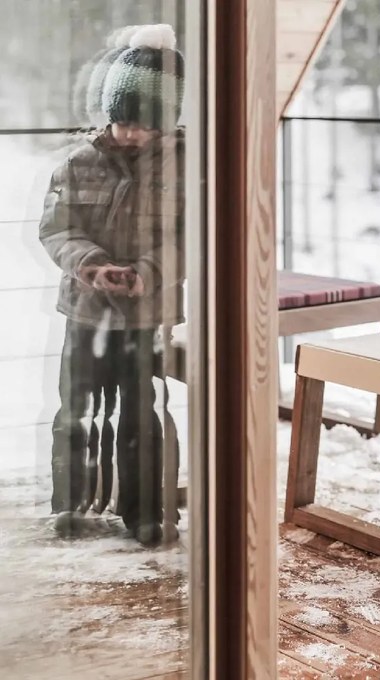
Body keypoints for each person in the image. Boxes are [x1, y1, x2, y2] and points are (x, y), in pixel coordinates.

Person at [39, 24, 185, 546]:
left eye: (143, 126)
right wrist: (91, 265)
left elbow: (190, 237)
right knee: (76, 408)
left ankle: (146, 511)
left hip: (147, 316)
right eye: (122, 121)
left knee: (141, 413)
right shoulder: (78, 165)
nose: (129, 134)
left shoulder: (186, 169)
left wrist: (150, 271)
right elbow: (58, 228)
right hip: (85, 311)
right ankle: (73, 503)